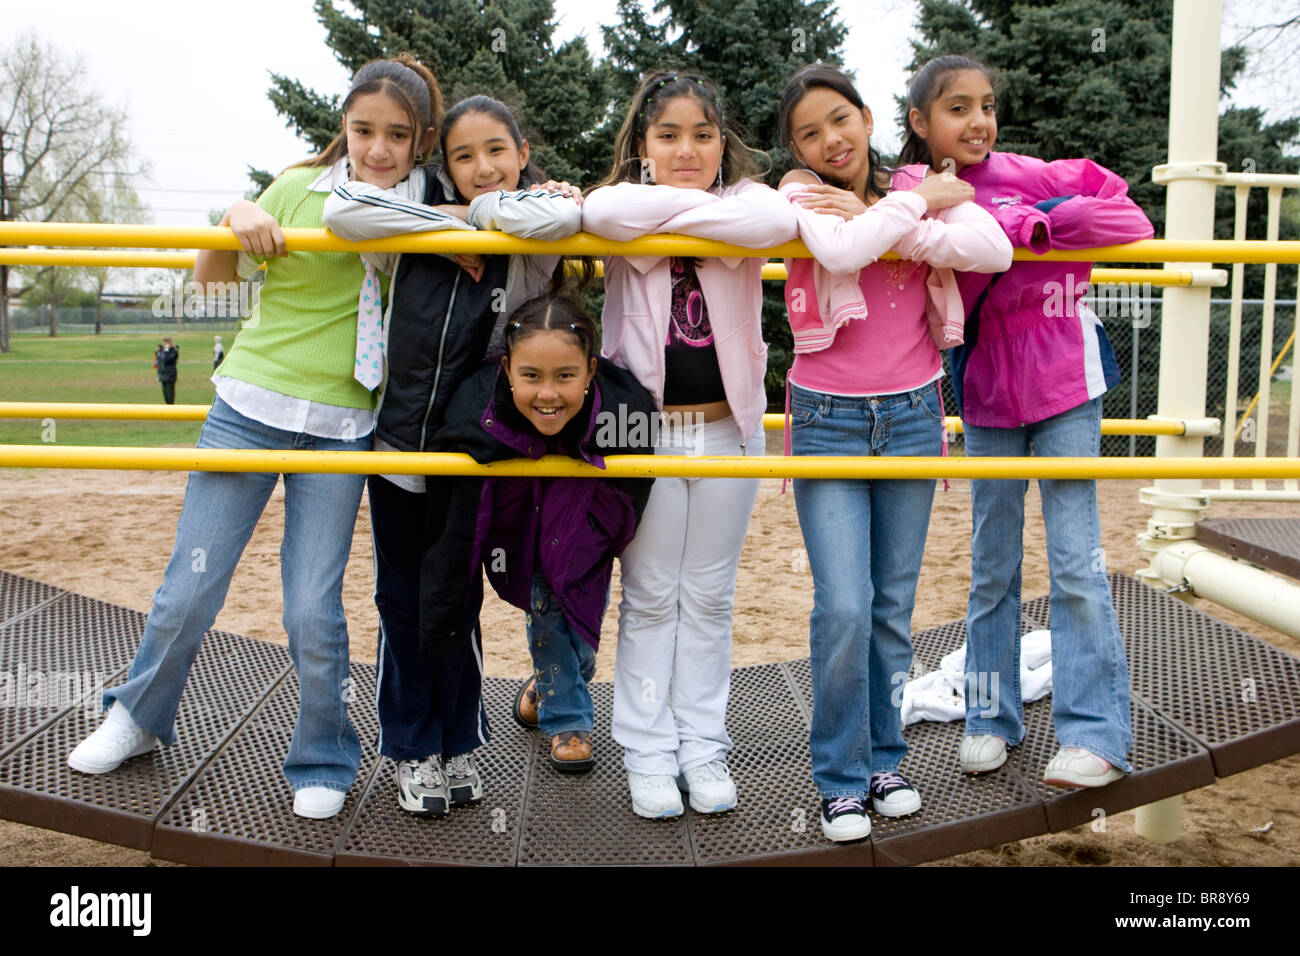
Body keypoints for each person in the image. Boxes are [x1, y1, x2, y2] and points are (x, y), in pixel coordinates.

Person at [68, 53, 442, 821]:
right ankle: (137, 716)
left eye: (396, 136)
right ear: (343, 126)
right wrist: (235, 214)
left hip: (343, 426)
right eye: (363, 129)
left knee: (312, 607)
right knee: (192, 586)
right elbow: (210, 286)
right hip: (250, 406)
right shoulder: (299, 188)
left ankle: (323, 754)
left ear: (420, 141)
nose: (376, 149)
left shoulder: (425, 208)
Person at [321, 95, 583, 813]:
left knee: (456, 599)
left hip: (472, 457)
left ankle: (460, 738)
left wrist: (487, 215)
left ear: (522, 151)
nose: (483, 168)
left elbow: (562, 217)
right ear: (444, 166)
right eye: (464, 157)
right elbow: (343, 209)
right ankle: (413, 750)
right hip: (401, 451)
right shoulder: (404, 230)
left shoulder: (523, 244)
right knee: (401, 601)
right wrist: (449, 225)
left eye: (497, 150)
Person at [897, 55, 1153, 789]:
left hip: (1068, 380)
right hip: (986, 389)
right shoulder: (919, 186)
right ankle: (988, 716)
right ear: (921, 123)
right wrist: (1030, 228)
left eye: (986, 104)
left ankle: (1095, 735)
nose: (978, 121)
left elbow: (1127, 216)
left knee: (1076, 562)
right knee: (992, 565)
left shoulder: (1034, 170)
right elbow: (961, 232)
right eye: (957, 108)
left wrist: (1041, 221)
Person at [776, 64, 1012, 842]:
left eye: (839, 120)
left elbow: (992, 248)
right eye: (809, 132)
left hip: (913, 414)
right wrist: (914, 206)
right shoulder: (799, 195)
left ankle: (884, 760)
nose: (828, 140)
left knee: (889, 610)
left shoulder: (908, 178)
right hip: (828, 420)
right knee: (842, 604)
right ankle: (839, 780)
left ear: (870, 118)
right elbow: (843, 253)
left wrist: (892, 209)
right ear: (796, 147)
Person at [582, 71, 799, 819]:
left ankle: (702, 747)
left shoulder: (747, 205)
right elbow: (604, 208)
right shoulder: (619, 207)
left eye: (703, 136)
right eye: (668, 135)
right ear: (642, 145)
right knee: (648, 598)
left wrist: (695, 213)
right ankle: (647, 752)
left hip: (727, 430)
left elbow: (774, 223)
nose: (686, 149)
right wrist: (705, 212)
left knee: (708, 596)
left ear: (723, 143)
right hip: (640, 429)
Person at [419, 292, 656, 774]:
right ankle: (567, 720)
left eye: (565, 376)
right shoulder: (476, 403)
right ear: (507, 370)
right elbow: (454, 473)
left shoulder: (624, 405)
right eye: (531, 376)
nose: (548, 394)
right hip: (522, 527)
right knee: (547, 611)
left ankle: (545, 684)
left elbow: (635, 480)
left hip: (582, 525)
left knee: (584, 618)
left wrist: (603, 530)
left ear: (591, 372)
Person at [154, 337, 179, 404]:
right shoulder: (162, 350)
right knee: (165, 392)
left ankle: (171, 408)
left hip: (170, 373)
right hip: (163, 373)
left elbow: (168, 359)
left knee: (170, 392)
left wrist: (167, 350)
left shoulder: (174, 351)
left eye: (165, 343)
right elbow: (159, 359)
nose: (164, 344)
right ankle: (167, 407)